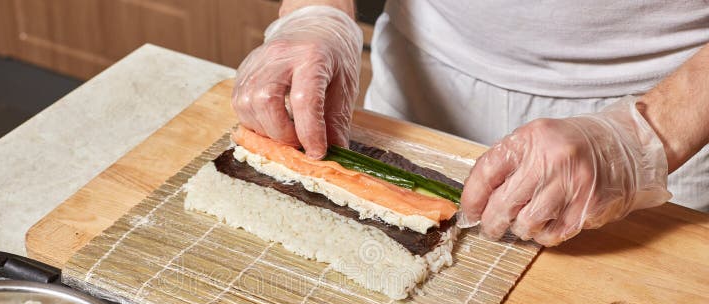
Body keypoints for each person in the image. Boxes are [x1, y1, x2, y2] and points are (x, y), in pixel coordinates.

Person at [232, 0, 709, 246]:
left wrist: (636, 142)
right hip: (421, 80)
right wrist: (316, 12)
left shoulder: (644, 136)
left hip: (660, 116)